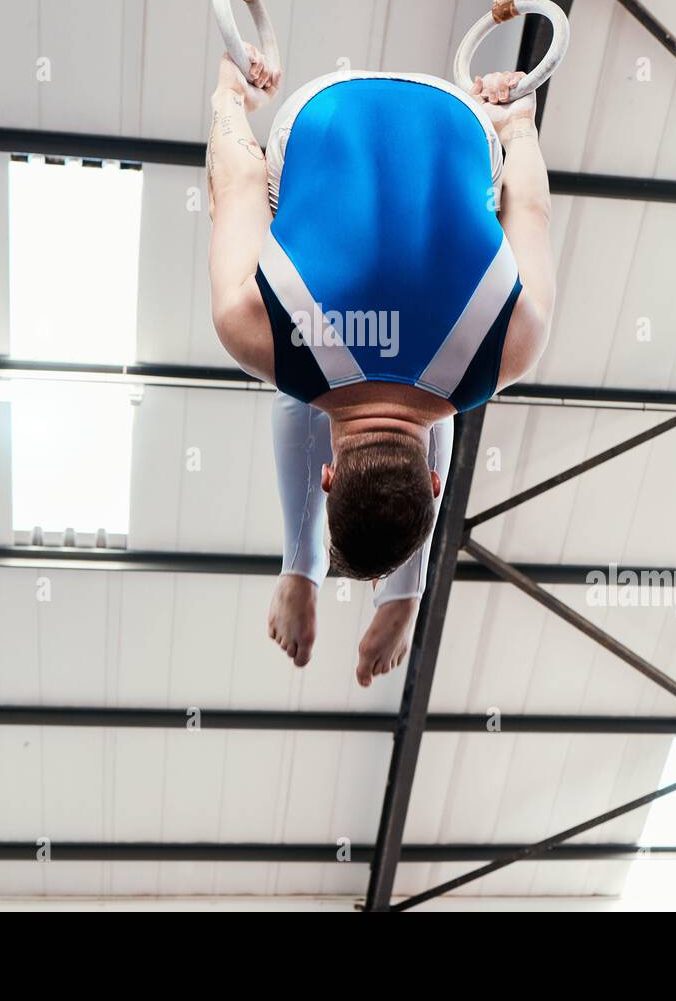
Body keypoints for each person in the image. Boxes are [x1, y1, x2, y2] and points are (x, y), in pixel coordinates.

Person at [206, 48, 554, 686]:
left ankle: (375, 583)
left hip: (461, 121)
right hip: (318, 110)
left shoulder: (518, 346)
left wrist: (517, 125)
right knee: (302, 368)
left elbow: (530, 210)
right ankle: (358, 580)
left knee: (442, 387)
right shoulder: (244, 325)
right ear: (328, 477)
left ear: (438, 481)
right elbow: (237, 181)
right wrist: (230, 99)